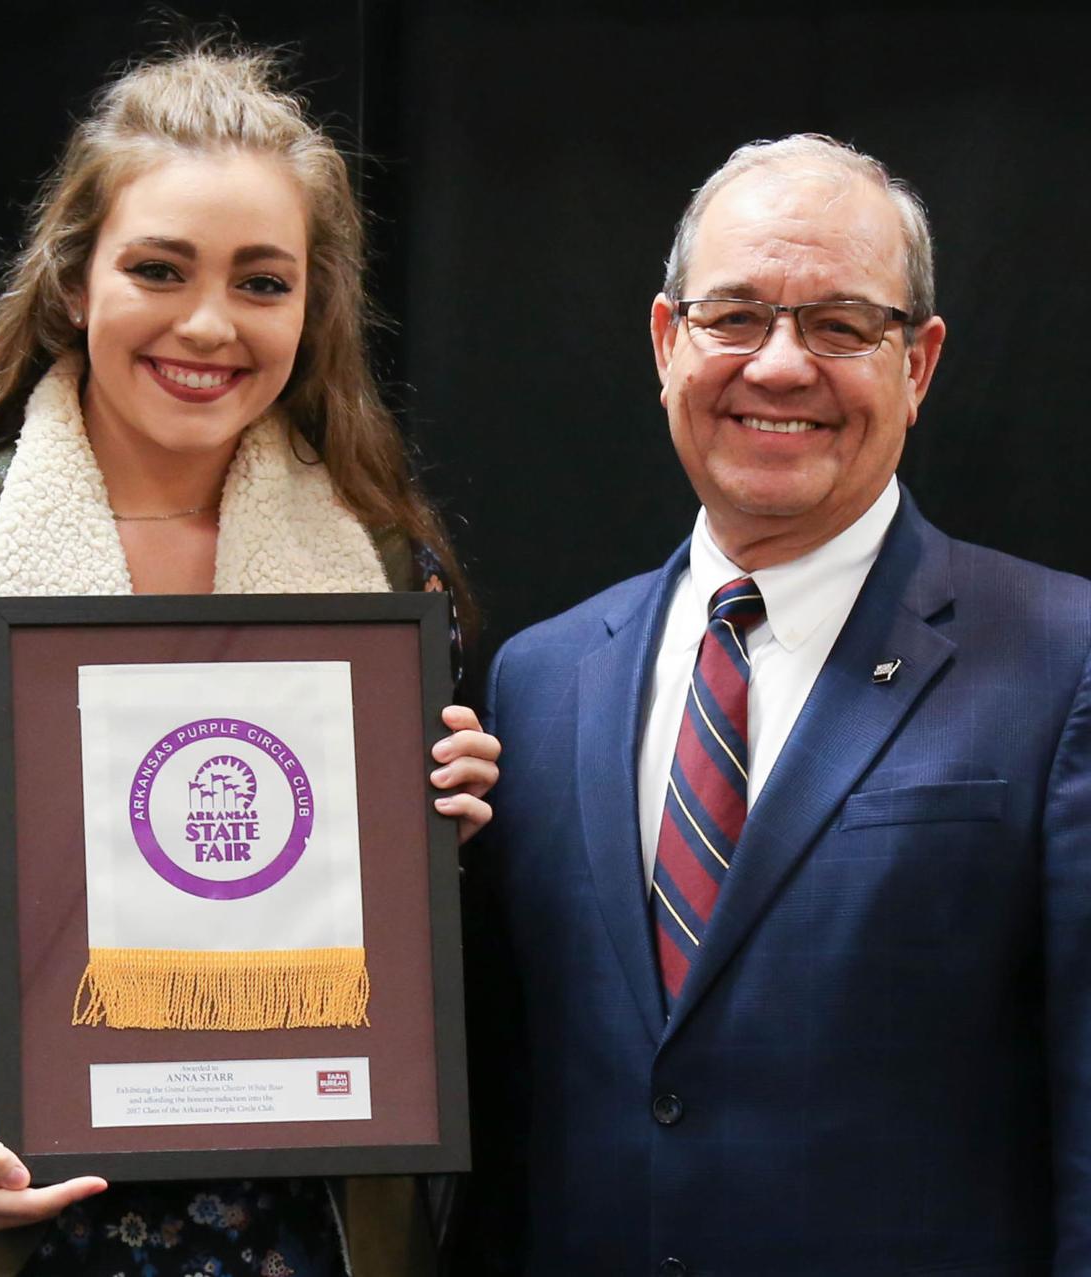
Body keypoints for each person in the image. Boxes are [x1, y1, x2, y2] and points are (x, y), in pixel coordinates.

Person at [0, 42, 499, 1277]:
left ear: (309, 307)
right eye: (159, 269)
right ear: (74, 285)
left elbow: (404, 955)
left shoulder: (387, 569)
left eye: (262, 282)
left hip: (308, 1223)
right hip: (18, 1210)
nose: (210, 324)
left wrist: (429, 831)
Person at [467, 134, 1091, 1275]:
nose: (781, 366)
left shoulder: (1063, 659)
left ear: (920, 363)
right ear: (668, 341)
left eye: (843, 325)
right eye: (736, 316)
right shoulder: (538, 679)